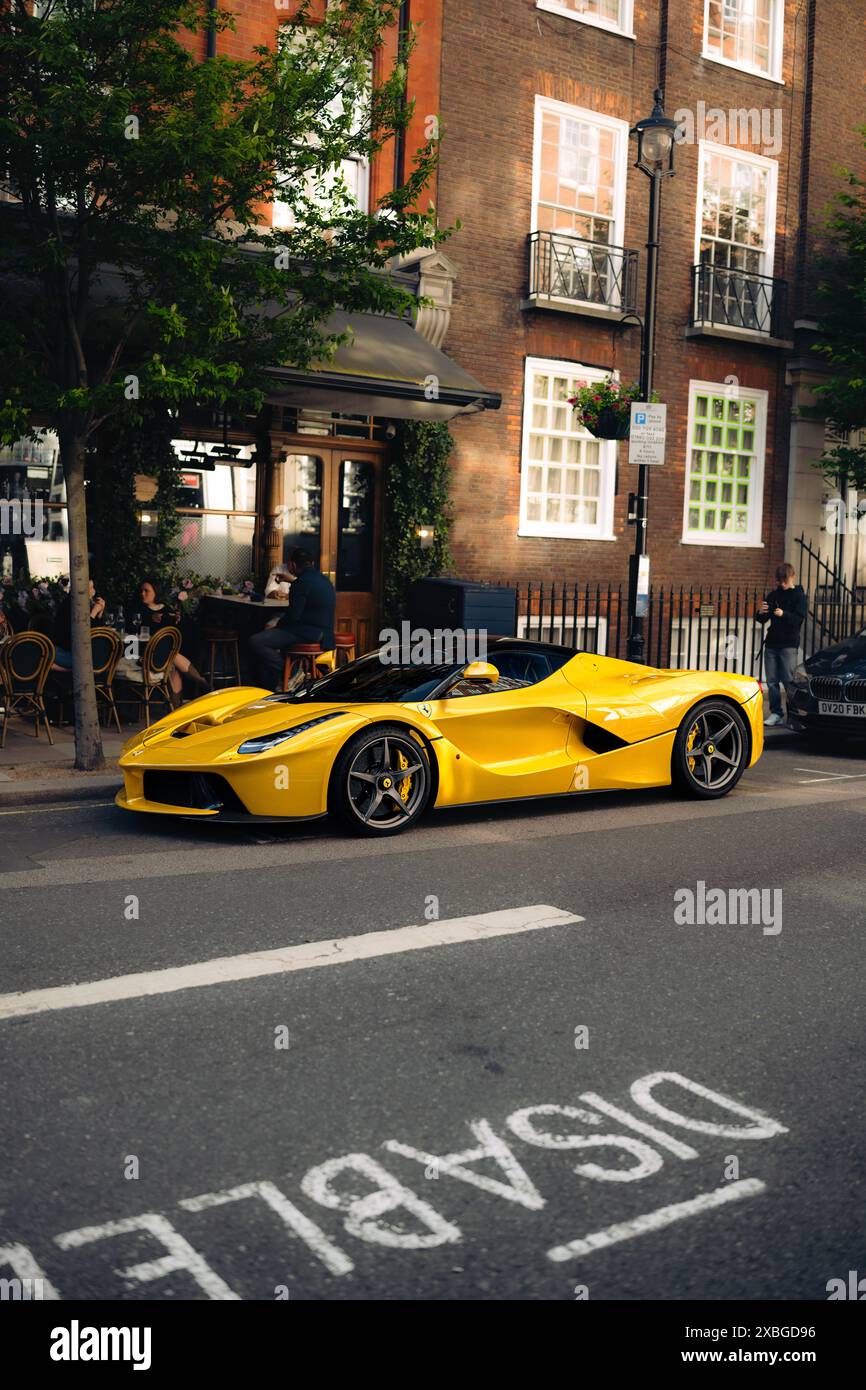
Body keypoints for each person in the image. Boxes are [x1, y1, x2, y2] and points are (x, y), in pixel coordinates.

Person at [249, 548, 336, 690]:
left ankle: (292, 673)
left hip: (308, 633)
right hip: (326, 635)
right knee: (276, 636)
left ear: (292, 565)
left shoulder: (300, 584)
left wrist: (277, 625)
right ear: (312, 563)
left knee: (256, 641)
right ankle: (285, 678)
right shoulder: (324, 580)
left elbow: (293, 616)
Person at [136, 577, 209, 703]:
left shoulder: (166, 609)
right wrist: (150, 620)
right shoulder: (139, 610)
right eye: (141, 591)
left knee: (173, 661)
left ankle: (178, 705)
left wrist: (177, 620)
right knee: (173, 657)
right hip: (146, 652)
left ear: (155, 592)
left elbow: (177, 631)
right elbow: (134, 631)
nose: (142, 594)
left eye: (146, 591)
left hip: (167, 650)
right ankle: (203, 683)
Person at [757, 562, 807, 727]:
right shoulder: (773, 595)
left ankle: (793, 714)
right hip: (771, 643)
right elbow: (762, 619)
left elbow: (798, 619)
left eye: (785, 580)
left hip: (788, 644)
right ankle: (776, 713)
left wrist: (783, 614)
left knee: (788, 681)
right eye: (780, 581)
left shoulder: (799, 596)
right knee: (771, 681)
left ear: (792, 577)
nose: (782, 584)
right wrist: (761, 612)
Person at [52, 579, 106, 669]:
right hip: (66, 652)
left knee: (103, 654)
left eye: (93, 587)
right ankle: (67, 670)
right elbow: (83, 633)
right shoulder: (71, 604)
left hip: (79, 652)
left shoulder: (85, 604)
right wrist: (94, 612)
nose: (93, 591)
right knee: (100, 659)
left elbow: (98, 630)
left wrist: (100, 612)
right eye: (90, 588)